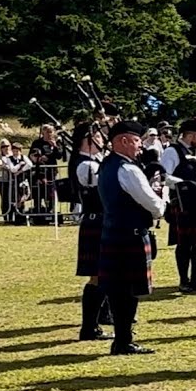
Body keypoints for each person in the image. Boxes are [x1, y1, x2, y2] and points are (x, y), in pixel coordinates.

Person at [97, 121, 169, 355]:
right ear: (124, 141)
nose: (141, 146)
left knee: (119, 290)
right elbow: (154, 206)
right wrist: (163, 197)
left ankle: (122, 339)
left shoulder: (107, 165)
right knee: (129, 290)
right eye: (138, 141)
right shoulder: (128, 169)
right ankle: (123, 340)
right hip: (131, 236)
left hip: (113, 233)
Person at [162, 118, 196, 292]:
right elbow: (164, 176)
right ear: (190, 135)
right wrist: (184, 184)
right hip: (182, 202)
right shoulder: (172, 151)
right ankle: (184, 280)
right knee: (184, 243)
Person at [70, 124, 110, 340]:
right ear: (88, 139)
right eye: (97, 136)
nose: (101, 138)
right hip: (97, 221)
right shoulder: (86, 165)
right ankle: (89, 327)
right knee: (97, 276)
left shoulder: (92, 162)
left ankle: (99, 320)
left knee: (102, 275)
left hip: (98, 222)